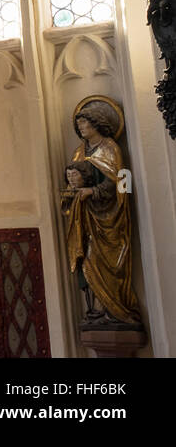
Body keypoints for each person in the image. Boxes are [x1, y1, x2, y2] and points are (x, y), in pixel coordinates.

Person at [61, 100, 141, 325]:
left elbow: (120, 182)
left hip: (109, 216)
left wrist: (93, 191)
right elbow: (73, 177)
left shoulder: (110, 148)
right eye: (79, 125)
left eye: (85, 123)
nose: (81, 128)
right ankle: (95, 308)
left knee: (107, 261)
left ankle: (114, 309)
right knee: (87, 260)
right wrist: (72, 190)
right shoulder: (79, 152)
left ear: (97, 124)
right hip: (85, 217)